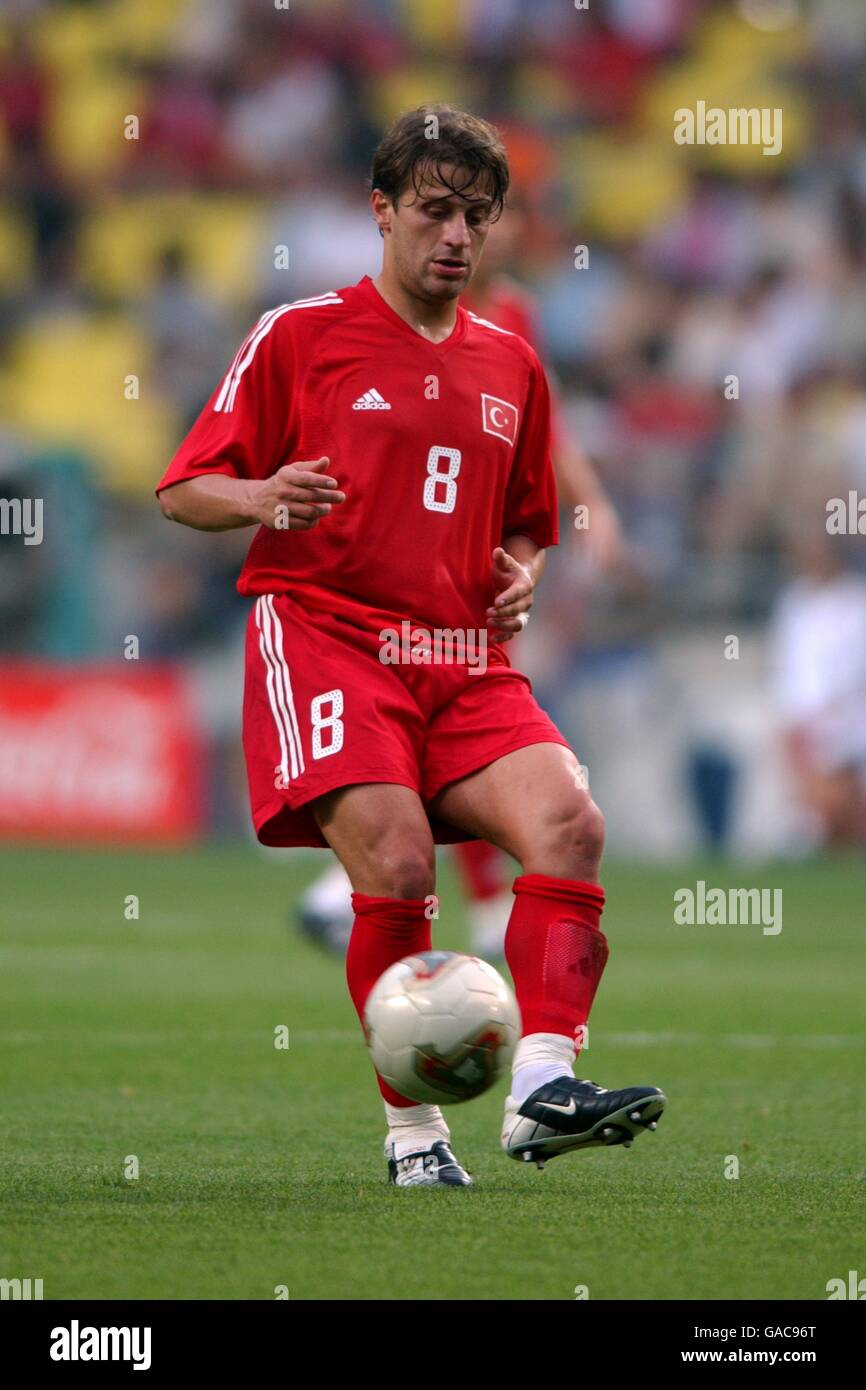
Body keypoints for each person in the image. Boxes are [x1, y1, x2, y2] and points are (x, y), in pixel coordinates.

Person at [156, 104, 665, 1187]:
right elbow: (182, 489)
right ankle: (415, 1139)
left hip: (463, 657)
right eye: (434, 210)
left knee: (571, 823)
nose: (456, 235)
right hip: (330, 634)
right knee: (394, 861)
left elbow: (527, 517)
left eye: (476, 216)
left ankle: (538, 1090)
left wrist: (521, 571)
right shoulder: (298, 335)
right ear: (380, 212)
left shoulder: (511, 363)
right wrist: (259, 494)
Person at [298, 200, 627, 960]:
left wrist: (590, 505)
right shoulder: (377, 316)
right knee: (420, 726)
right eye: (461, 214)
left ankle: (461, 907)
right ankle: (387, 891)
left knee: (483, 731)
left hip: (477, 565)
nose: (480, 232)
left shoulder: (512, 319)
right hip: (383, 579)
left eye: (491, 217)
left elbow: (543, 428)